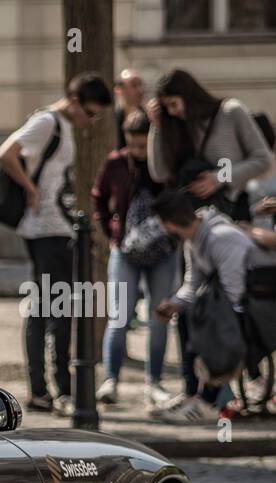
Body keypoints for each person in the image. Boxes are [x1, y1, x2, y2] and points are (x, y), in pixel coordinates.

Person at [0, 71, 113, 416]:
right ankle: (55, 390)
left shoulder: (58, 123)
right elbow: (5, 153)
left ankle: (46, 389)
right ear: (74, 101)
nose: (90, 121)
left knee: (47, 306)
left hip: (54, 227)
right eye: (89, 113)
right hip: (46, 228)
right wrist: (30, 189)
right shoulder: (49, 121)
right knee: (56, 308)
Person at [151, 189, 276, 424]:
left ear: (170, 223)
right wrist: (174, 304)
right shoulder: (195, 240)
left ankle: (207, 402)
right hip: (240, 301)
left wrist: (212, 319)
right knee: (188, 316)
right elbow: (192, 284)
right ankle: (193, 394)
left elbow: (235, 292)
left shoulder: (221, 237)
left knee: (210, 325)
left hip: (262, 304)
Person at [92, 109, 177, 409]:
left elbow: (179, 199)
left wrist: (174, 237)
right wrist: (111, 231)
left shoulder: (165, 162)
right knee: (119, 317)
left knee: (159, 317)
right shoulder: (116, 162)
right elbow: (98, 197)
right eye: (133, 146)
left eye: (144, 146)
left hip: (163, 251)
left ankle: (154, 382)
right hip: (125, 250)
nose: (138, 152)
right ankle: (111, 379)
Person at [147, 69, 273, 222]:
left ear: (189, 96)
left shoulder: (230, 112)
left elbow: (262, 159)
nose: (172, 111)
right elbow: (160, 174)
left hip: (232, 213)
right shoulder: (176, 125)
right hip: (191, 219)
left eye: (174, 104)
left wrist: (218, 178)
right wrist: (157, 127)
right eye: (166, 107)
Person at [114, 69, 146, 150]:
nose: (140, 90)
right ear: (119, 90)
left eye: (140, 85)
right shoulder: (112, 120)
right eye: (134, 85)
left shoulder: (148, 118)